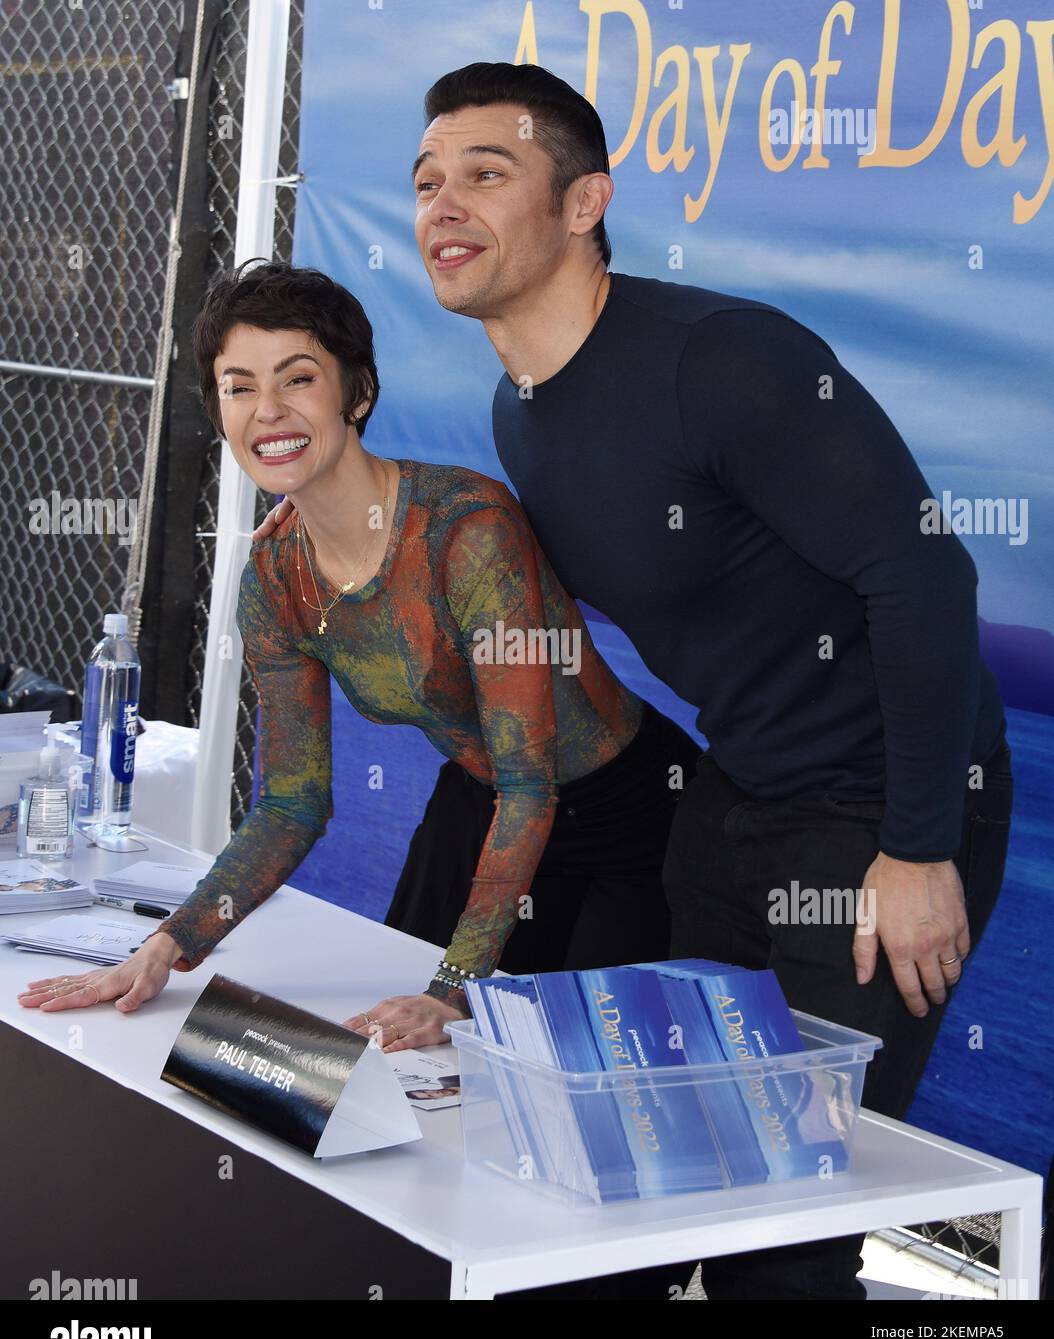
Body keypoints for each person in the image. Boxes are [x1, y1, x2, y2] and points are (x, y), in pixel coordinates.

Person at [256, 61, 1013, 1301]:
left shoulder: (724, 358)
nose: (443, 204)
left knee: (786, 1223)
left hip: (878, 820)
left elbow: (925, 580)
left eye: (487, 174)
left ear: (584, 202)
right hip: (729, 799)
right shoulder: (519, 410)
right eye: (427, 180)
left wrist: (920, 849)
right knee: (670, 1179)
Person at [18, 258, 701, 1061]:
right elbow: (293, 804)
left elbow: (532, 779)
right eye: (239, 387)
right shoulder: (274, 579)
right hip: (482, 799)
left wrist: (452, 989)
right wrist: (170, 947)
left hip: (630, 812)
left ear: (359, 394)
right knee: (386, 1061)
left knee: (578, 1064)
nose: (267, 411)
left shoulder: (465, 530)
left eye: (297, 379)